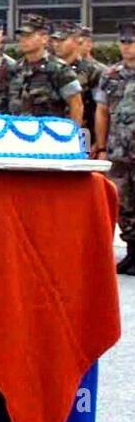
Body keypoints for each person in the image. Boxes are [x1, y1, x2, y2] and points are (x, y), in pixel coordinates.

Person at [93, 22, 135, 274]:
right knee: (124, 204)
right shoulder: (111, 75)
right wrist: (101, 146)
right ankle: (132, 250)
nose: (126, 46)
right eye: (123, 42)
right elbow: (102, 111)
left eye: (131, 41)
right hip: (119, 150)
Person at [8, 14, 82, 122]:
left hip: (49, 134)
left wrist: (73, 134)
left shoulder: (59, 69)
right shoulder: (15, 69)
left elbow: (76, 106)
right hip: (18, 133)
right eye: (21, 36)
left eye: (28, 36)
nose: (23, 40)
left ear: (44, 38)